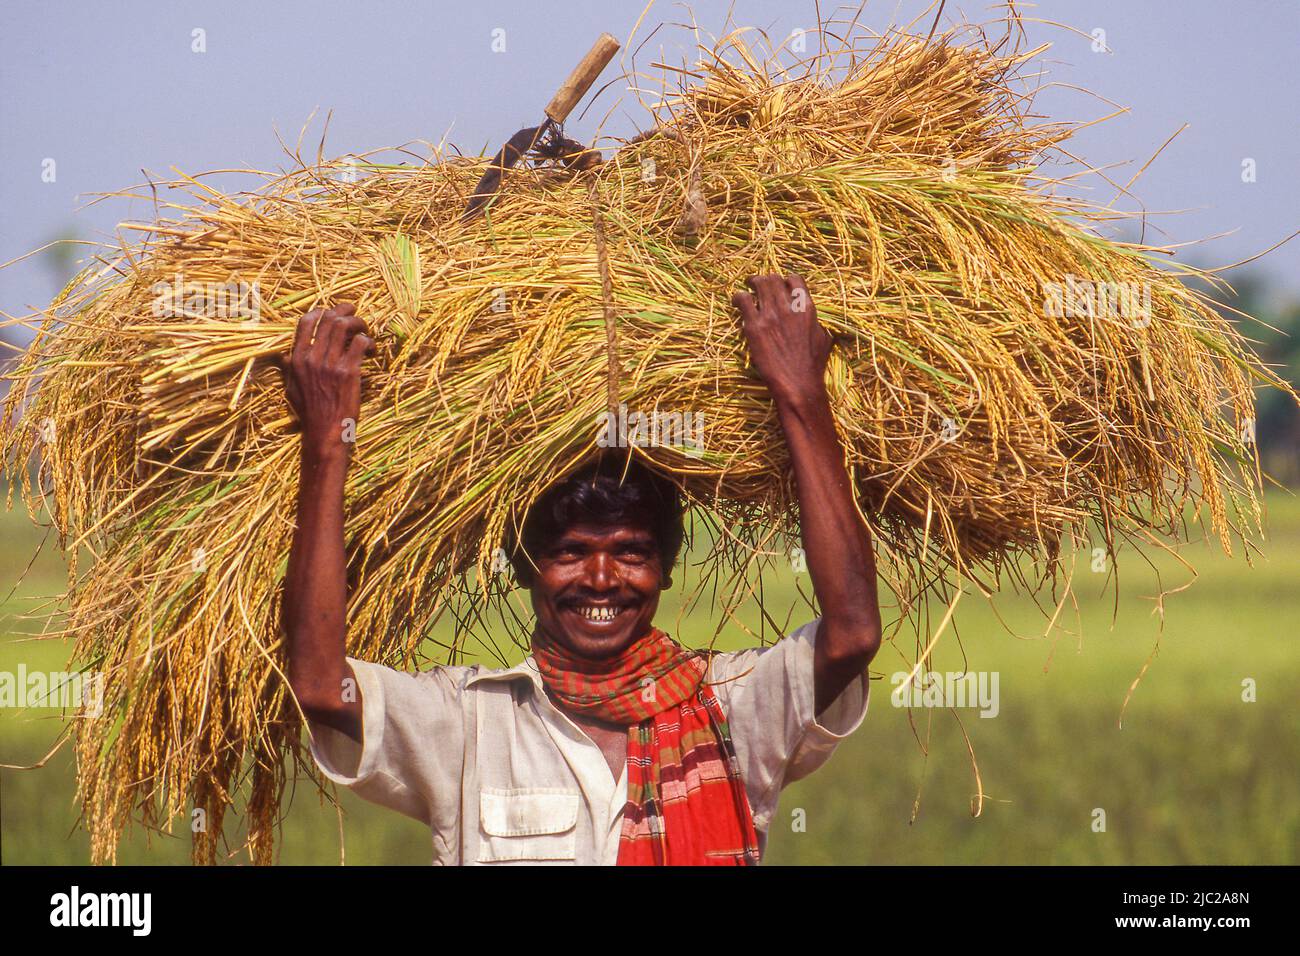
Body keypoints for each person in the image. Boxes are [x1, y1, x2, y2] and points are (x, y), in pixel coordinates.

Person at [280, 273, 882, 864]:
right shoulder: (470, 724)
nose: (601, 579)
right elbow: (318, 684)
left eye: (630, 552)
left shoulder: (732, 709)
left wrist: (800, 394)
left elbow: (853, 632)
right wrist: (330, 440)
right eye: (569, 553)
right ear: (524, 566)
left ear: (666, 567)